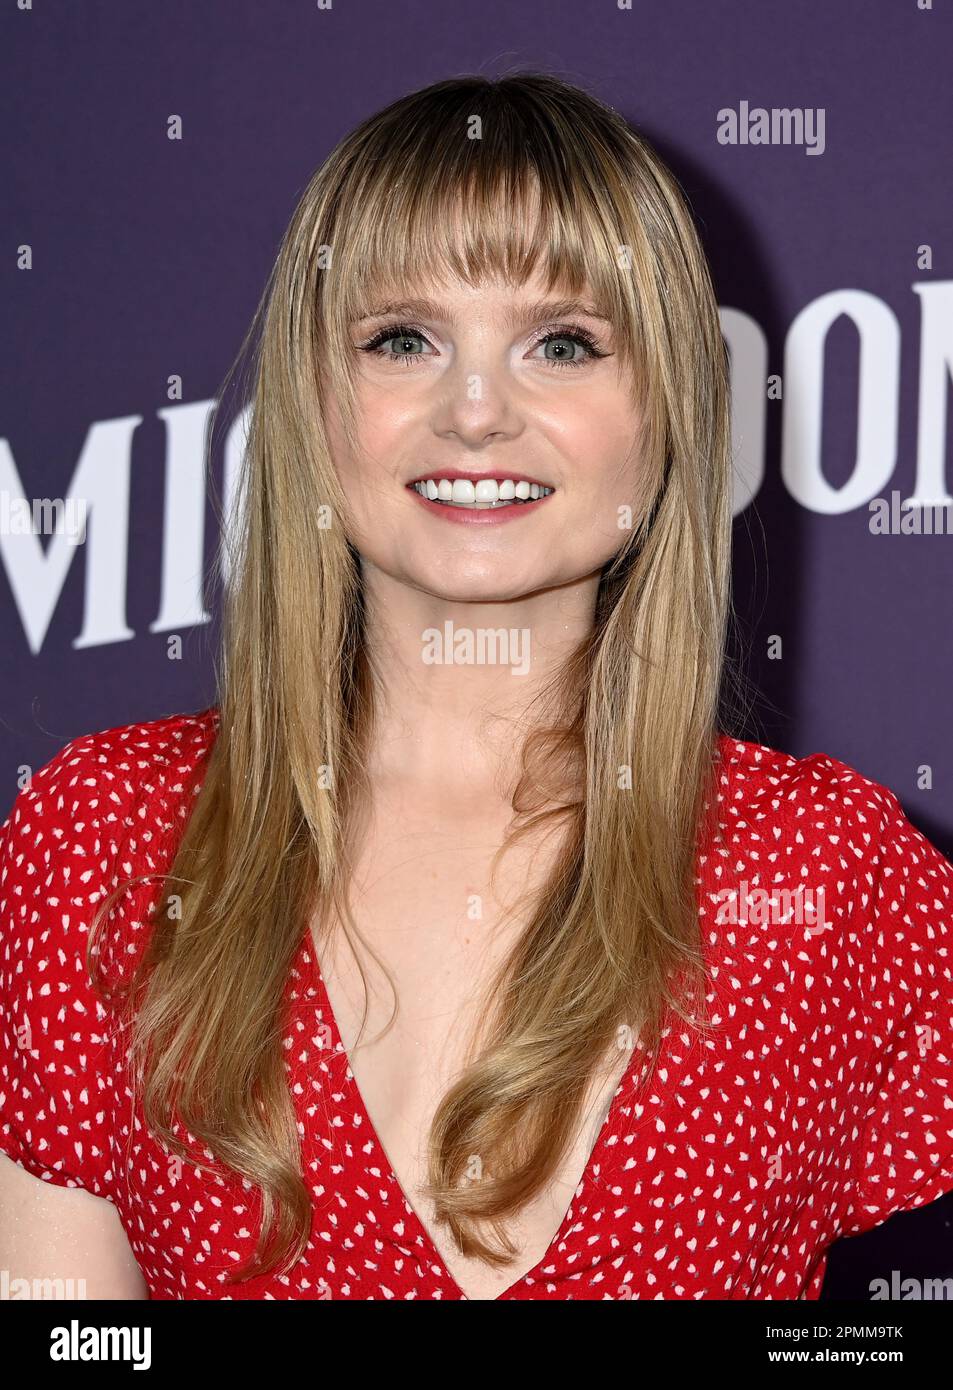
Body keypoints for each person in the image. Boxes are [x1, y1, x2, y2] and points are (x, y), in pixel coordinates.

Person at [1, 72, 951, 1302]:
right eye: (404, 338)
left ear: (665, 407)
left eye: (561, 343)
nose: (475, 410)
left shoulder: (832, 877)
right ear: (313, 398)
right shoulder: (106, 836)